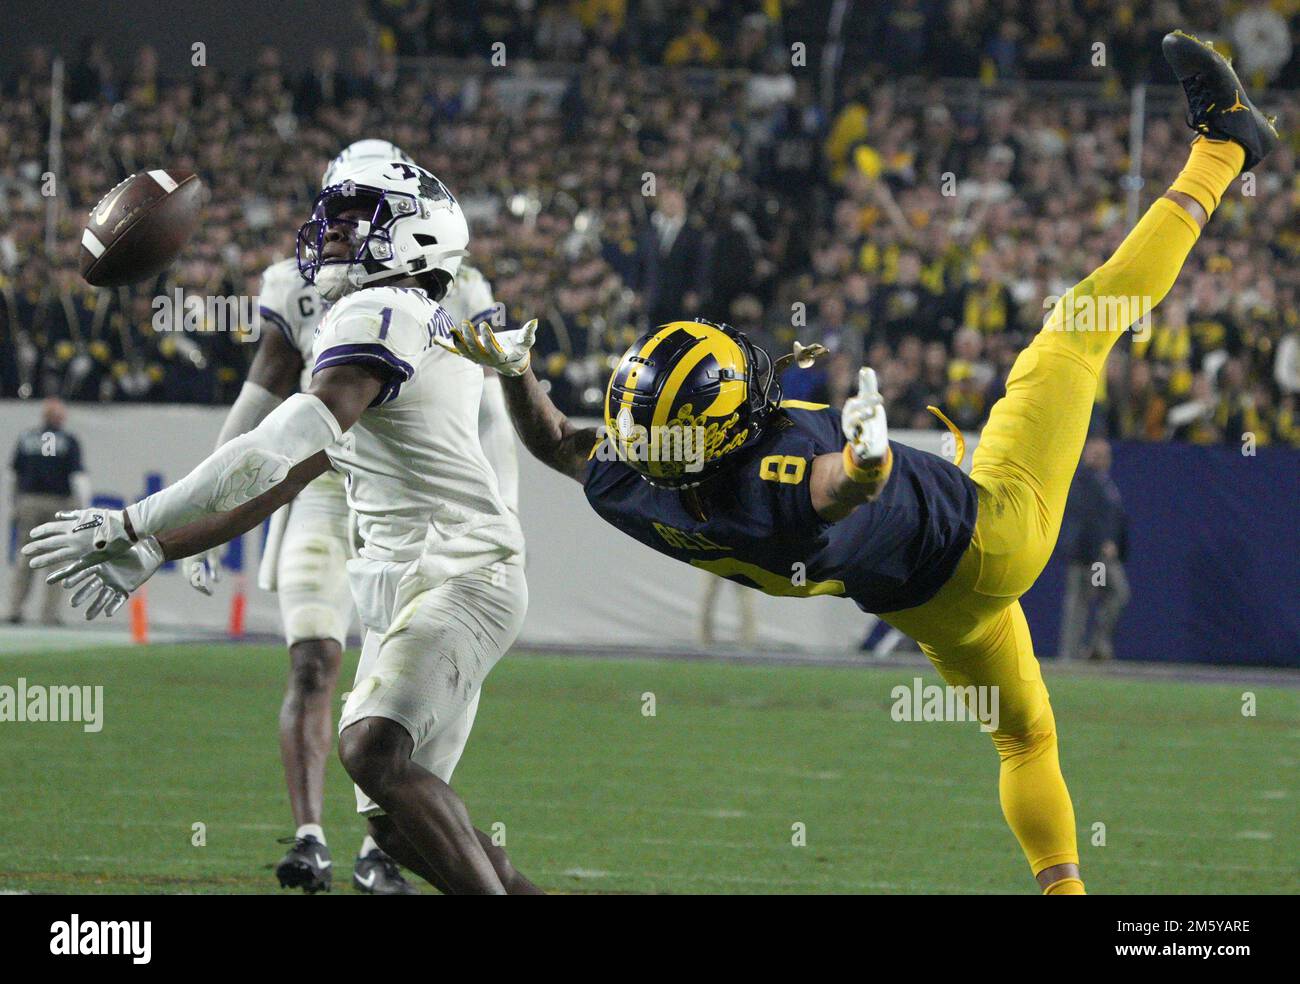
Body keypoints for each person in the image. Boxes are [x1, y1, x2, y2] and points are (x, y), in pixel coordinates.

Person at [434, 32, 1277, 894]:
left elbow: (556, 445)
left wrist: (515, 371)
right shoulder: (778, 481)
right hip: (991, 533)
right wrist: (871, 461)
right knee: (1082, 323)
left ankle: (1065, 892)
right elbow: (832, 490)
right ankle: (1226, 146)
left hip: (932, 608)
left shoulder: (642, 486)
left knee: (1025, 738)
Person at [25, 160, 540, 895]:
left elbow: (267, 448)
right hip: (419, 585)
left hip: (461, 575)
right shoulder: (392, 322)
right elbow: (285, 481)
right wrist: (159, 549)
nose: (328, 229)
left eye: (355, 215)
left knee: (369, 750)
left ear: (415, 231)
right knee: (398, 826)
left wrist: (133, 519)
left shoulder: (383, 310)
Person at [182, 139, 516, 895]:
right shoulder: (295, 282)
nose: (336, 224)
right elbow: (263, 399)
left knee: (389, 727)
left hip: (412, 504)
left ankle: (383, 843)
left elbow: (490, 413)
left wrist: (504, 509)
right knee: (314, 663)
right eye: (331, 207)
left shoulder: (453, 283)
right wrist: (207, 496)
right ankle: (309, 837)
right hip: (316, 477)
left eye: (355, 208)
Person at [6, 398, 88, 625]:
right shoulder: (69, 441)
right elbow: (78, 478)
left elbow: (13, 474)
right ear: (59, 418)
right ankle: (49, 614)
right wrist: (82, 508)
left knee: (25, 557)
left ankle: (14, 609)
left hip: (29, 501)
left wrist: (14, 503)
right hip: (58, 504)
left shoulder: (26, 438)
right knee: (57, 560)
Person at [1057, 438, 1130, 661]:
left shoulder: (1104, 482)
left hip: (1099, 555)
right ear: (1085, 455)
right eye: (1096, 454)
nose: (1101, 459)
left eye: (1104, 454)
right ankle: (1071, 656)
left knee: (1114, 594)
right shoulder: (1081, 480)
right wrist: (1104, 542)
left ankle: (1095, 646)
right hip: (1087, 555)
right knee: (1080, 602)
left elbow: (1114, 517)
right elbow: (1085, 517)